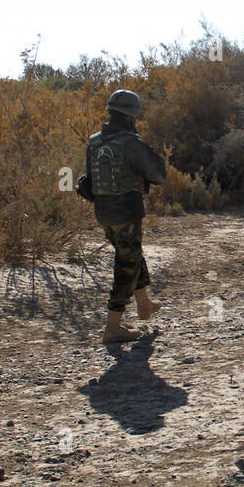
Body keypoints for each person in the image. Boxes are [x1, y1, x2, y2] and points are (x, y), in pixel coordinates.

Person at [78, 89, 167, 343]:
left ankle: (144, 304)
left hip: (103, 211)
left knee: (131, 254)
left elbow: (90, 180)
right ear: (131, 117)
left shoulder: (94, 142)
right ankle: (113, 325)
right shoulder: (131, 143)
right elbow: (159, 176)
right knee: (126, 264)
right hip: (127, 210)